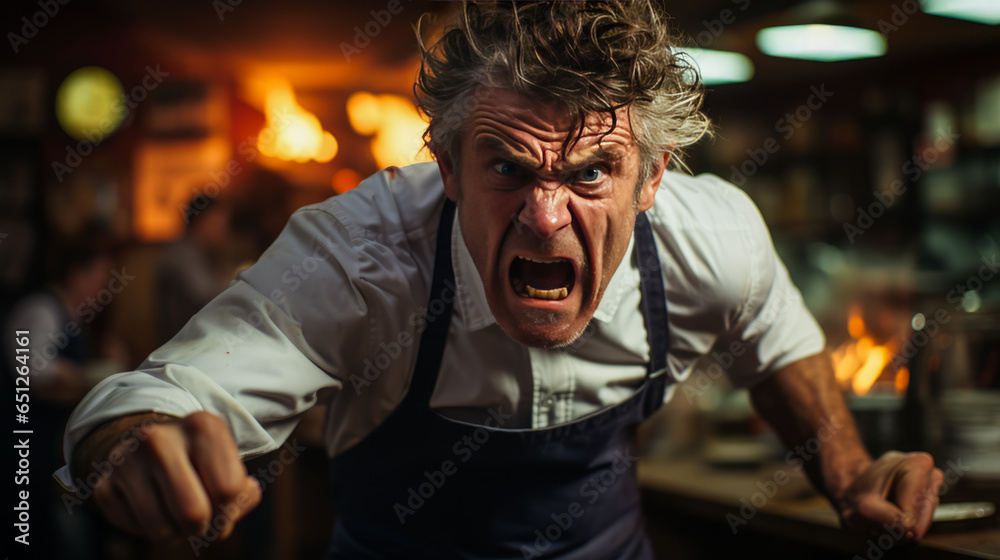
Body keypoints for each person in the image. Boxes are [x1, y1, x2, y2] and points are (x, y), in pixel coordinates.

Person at [58, 2, 944, 558]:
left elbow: (779, 343)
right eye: (509, 169)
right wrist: (131, 438)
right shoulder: (361, 256)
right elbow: (167, 391)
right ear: (445, 164)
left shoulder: (712, 238)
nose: (546, 218)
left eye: (592, 172)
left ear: (655, 176)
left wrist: (852, 473)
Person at [155, 193, 234, 345]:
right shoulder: (180, 255)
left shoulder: (199, 253)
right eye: (219, 222)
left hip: (193, 343)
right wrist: (234, 278)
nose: (224, 229)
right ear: (202, 221)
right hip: (180, 347)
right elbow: (205, 295)